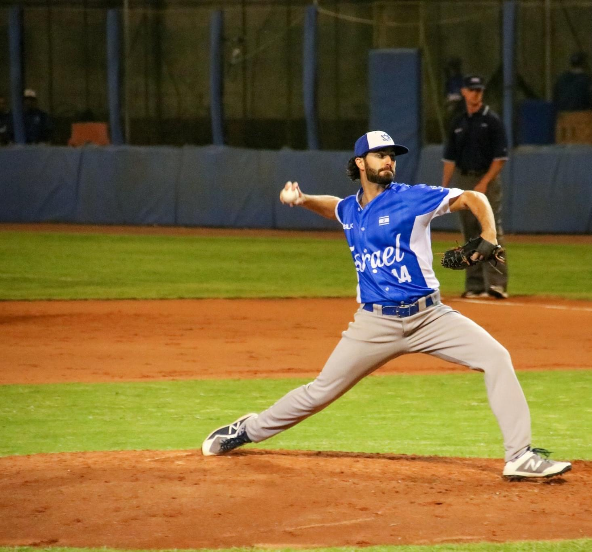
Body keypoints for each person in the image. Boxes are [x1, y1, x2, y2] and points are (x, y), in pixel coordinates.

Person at [201, 130, 571, 481]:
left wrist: (488, 234)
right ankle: (245, 429)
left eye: (392, 155)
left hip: (430, 317)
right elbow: (336, 208)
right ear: (360, 162)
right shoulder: (352, 209)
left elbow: (475, 198)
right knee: (320, 392)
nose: (388, 161)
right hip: (374, 324)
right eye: (380, 155)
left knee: (496, 358)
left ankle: (519, 456)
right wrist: (303, 200)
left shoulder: (413, 197)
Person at [441, 75, 509, 300]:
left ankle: (497, 285)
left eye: (479, 90)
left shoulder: (492, 121)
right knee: (469, 232)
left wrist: (485, 182)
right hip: (464, 179)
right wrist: (443, 188)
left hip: (485, 179)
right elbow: (450, 159)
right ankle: (475, 285)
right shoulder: (458, 122)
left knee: (490, 229)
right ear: (464, 92)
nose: (476, 94)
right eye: (472, 90)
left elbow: (500, 158)